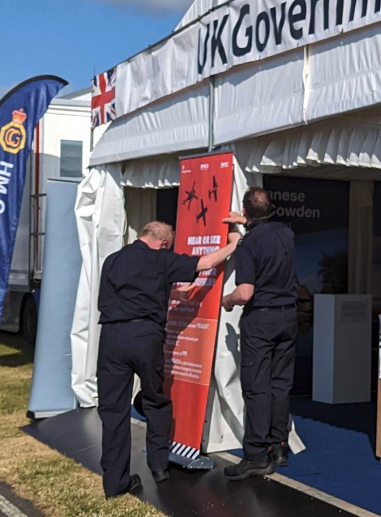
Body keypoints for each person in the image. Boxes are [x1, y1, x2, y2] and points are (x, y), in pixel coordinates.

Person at [96, 221, 238, 498]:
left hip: (112, 337)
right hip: (145, 336)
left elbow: (129, 292)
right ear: (163, 242)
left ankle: (114, 484)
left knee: (113, 411)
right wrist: (234, 245)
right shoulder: (161, 258)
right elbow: (205, 262)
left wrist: (168, 291)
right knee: (155, 399)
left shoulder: (113, 260)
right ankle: (159, 467)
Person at [221, 187, 300, 480]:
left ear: (246, 210)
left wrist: (226, 300)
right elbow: (266, 231)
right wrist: (244, 222)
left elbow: (245, 292)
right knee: (280, 384)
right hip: (287, 317)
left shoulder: (247, 245)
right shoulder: (286, 234)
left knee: (256, 387)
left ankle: (255, 454)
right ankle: (279, 446)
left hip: (261, 319)